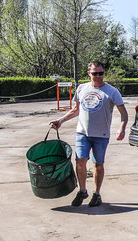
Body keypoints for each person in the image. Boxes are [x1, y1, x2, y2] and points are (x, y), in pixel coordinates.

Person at [51, 62, 128, 207]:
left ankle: (97, 194)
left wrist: (122, 128)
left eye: (101, 73)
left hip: (101, 135)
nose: (98, 76)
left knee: (98, 165)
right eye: (95, 73)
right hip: (82, 133)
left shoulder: (112, 91)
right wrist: (61, 120)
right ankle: (82, 190)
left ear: (104, 73)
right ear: (89, 74)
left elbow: (123, 113)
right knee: (80, 161)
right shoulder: (82, 88)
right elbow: (76, 110)